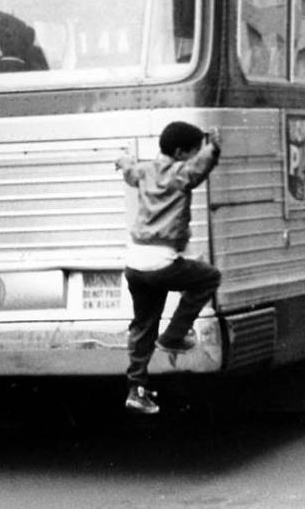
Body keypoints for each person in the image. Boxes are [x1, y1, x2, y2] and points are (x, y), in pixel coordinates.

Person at [115, 121, 222, 415]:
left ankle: (136, 389)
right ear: (180, 152)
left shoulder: (145, 171)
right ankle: (174, 335)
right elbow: (200, 168)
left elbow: (129, 170)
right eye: (192, 152)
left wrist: (123, 160)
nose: (194, 157)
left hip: (135, 263)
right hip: (161, 262)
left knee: (143, 324)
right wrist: (214, 146)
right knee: (209, 277)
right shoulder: (180, 174)